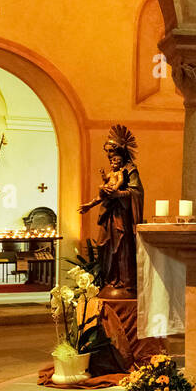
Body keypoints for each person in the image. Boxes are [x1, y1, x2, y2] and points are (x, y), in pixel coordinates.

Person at [78, 125, 143, 297]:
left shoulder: (130, 171)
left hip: (122, 217)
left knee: (121, 247)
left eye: (112, 154)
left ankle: (124, 282)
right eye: (108, 155)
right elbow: (104, 193)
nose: (109, 158)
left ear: (121, 154)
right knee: (106, 246)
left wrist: (118, 194)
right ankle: (111, 280)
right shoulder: (112, 173)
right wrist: (90, 204)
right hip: (109, 216)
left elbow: (136, 193)